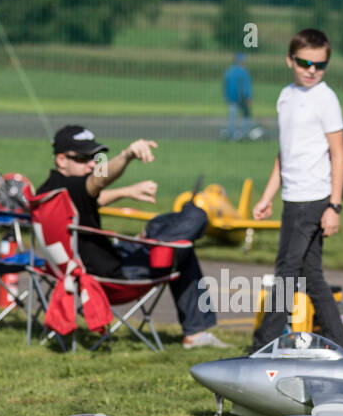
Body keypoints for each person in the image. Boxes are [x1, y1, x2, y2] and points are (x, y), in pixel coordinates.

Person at [35, 125, 227, 350]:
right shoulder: (77, 186)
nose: (91, 163)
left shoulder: (49, 192)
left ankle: (151, 237)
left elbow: (89, 199)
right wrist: (127, 155)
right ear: (61, 160)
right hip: (114, 277)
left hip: (81, 270)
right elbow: (98, 181)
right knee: (194, 220)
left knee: (161, 224)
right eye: (83, 158)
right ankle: (195, 332)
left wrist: (126, 192)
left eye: (95, 157)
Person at [249, 28, 343, 352]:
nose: (312, 70)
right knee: (310, 275)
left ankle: (261, 347)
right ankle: (341, 348)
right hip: (292, 199)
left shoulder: (326, 99)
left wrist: (334, 207)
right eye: (305, 63)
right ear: (290, 60)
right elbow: (285, 153)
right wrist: (267, 196)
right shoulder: (286, 97)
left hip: (312, 199)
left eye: (320, 65)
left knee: (286, 273)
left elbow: (339, 154)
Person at [222, 53, 252, 141]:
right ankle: (245, 133)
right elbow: (246, 86)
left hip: (231, 98)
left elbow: (225, 86)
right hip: (242, 98)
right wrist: (248, 97)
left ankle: (231, 135)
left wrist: (226, 96)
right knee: (246, 116)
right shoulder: (244, 72)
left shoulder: (229, 71)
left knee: (232, 117)